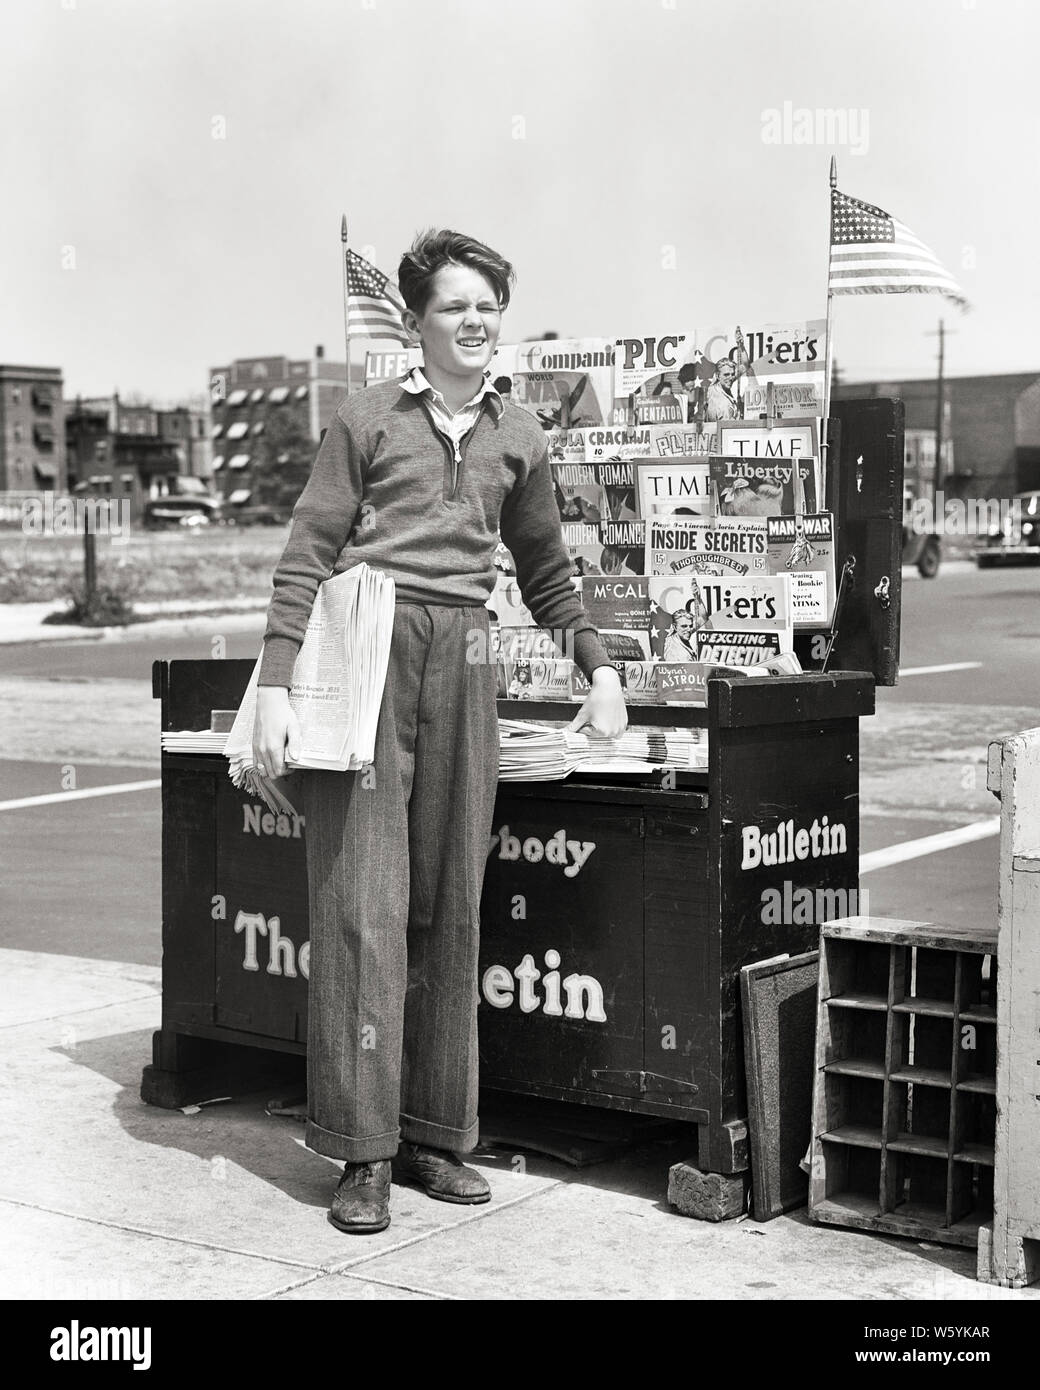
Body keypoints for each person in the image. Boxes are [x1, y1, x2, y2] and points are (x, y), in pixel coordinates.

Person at [252, 228, 627, 1235]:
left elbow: (545, 571)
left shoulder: (519, 434)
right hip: (366, 652)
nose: (474, 321)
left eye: (487, 306)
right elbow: (305, 553)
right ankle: (360, 1153)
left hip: (466, 656)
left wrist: (597, 666)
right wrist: (279, 683)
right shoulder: (365, 416)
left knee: (450, 905)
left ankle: (431, 1133)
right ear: (414, 322)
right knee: (360, 907)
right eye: (455, 305)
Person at [705, 357, 742, 421]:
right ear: (718, 376)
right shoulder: (721, 402)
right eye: (726, 375)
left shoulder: (718, 387)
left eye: (732, 374)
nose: (731, 378)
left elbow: (744, 367)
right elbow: (727, 428)